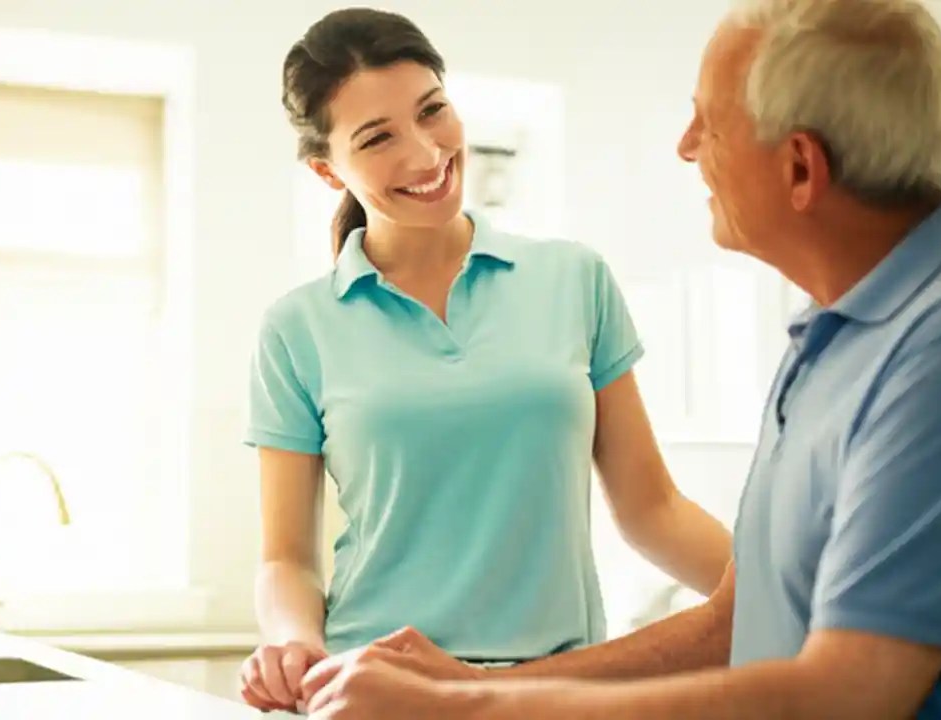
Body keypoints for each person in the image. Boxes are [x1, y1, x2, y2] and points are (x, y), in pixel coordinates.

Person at [297, 0, 941, 718]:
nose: (686, 145)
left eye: (709, 122)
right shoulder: (835, 337)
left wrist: (468, 708)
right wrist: (455, 687)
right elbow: (732, 622)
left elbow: (846, 694)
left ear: (801, 167)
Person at [238, 7, 734, 713]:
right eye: (377, 138)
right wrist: (295, 644)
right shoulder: (297, 328)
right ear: (327, 170)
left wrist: (789, 592)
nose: (424, 154)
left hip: (553, 691)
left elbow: (652, 508)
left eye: (432, 111)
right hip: (379, 693)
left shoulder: (574, 279)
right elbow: (286, 557)